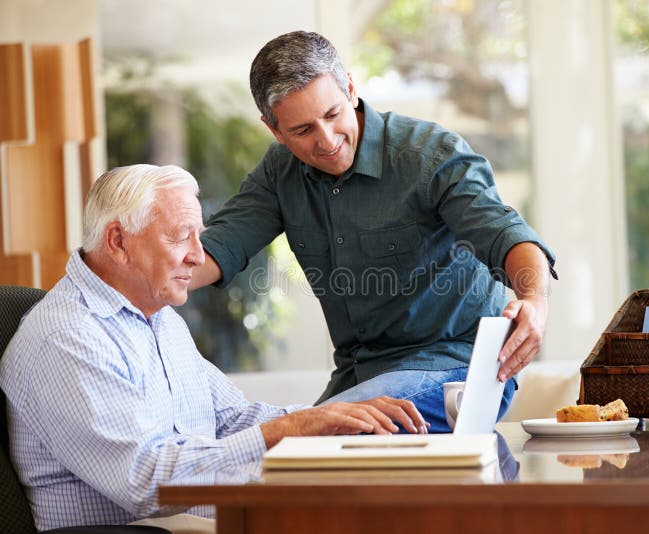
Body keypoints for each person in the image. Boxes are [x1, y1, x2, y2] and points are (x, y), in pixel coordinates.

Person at [0, 164, 427, 533]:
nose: (197, 256)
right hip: (145, 528)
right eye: (181, 237)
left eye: (198, 237)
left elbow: (229, 420)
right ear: (118, 242)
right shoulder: (66, 337)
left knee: (380, 500)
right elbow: (146, 481)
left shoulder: (157, 317)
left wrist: (329, 423)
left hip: (197, 519)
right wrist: (290, 430)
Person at [191, 31, 557, 432]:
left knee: (300, 437)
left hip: (458, 370)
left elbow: (506, 233)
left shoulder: (429, 154)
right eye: (303, 131)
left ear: (350, 88)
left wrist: (534, 300)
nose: (326, 141)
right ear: (274, 129)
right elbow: (217, 249)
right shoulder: (280, 172)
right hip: (360, 378)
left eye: (332, 115)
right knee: (275, 458)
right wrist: (134, 281)